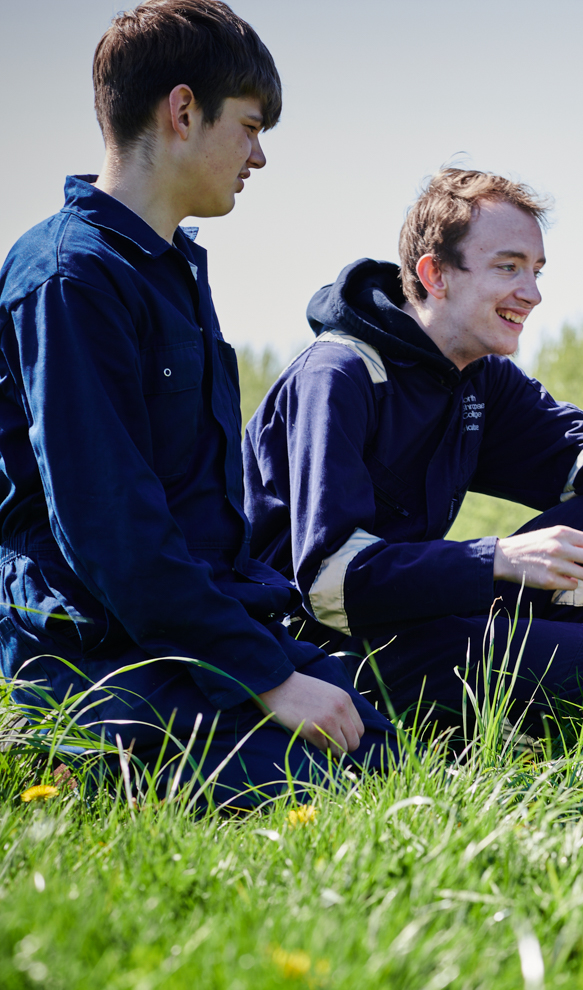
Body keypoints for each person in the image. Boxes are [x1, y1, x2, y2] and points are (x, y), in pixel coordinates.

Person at [0, 0, 398, 807]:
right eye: (250, 127)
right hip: (92, 654)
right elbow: (113, 529)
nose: (260, 156)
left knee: (383, 749)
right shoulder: (70, 278)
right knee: (325, 787)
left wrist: (272, 657)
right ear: (183, 112)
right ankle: (65, 765)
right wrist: (266, 677)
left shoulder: (171, 268)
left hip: (188, 635)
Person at [244, 169, 583, 745]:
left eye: (537, 271)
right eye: (508, 267)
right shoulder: (337, 375)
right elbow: (327, 586)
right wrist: (496, 557)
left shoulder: (477, 375)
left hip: (417, 619)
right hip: (318, 650)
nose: (533, 293)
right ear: (435, 274)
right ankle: (515, 738)